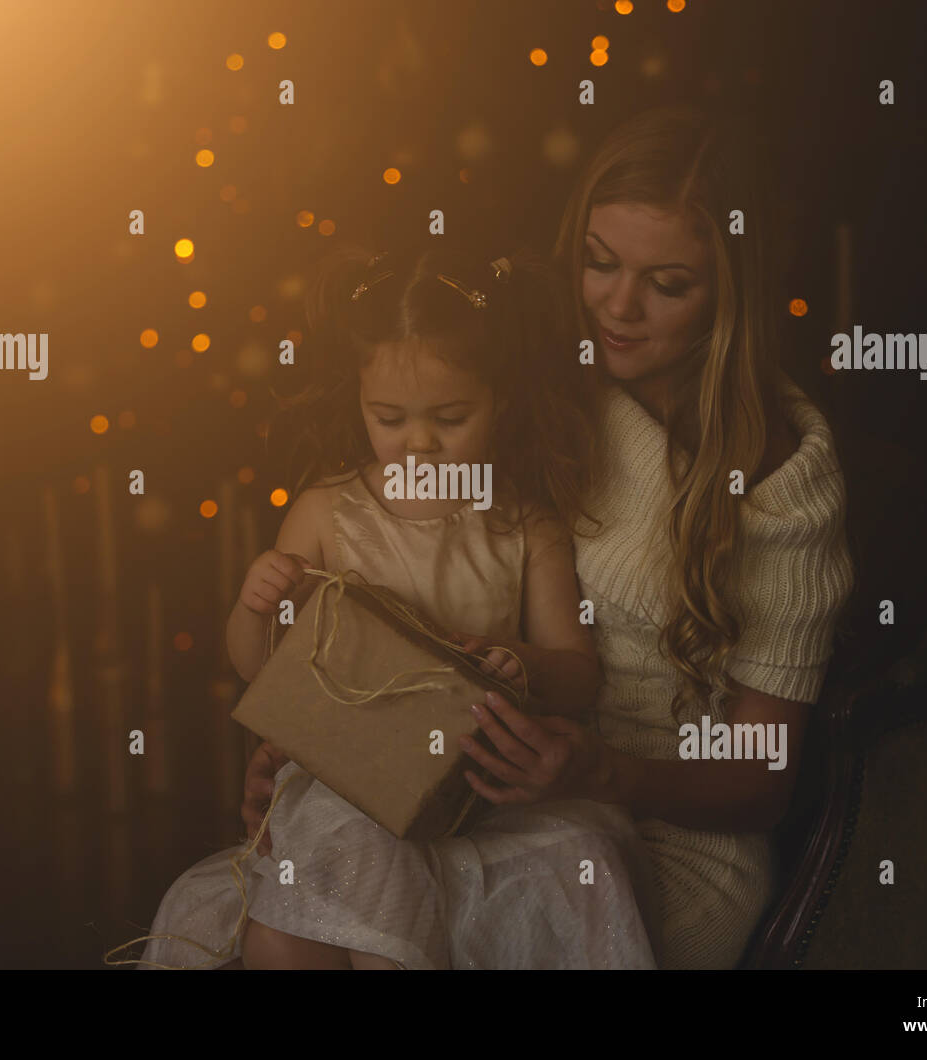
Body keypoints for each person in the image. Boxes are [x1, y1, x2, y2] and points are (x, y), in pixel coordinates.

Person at [237, 103, 857, 970]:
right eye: (598, 263)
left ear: (732, 291)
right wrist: (330, 749)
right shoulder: (535, 383)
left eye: (667, 284)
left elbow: (763, 781)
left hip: (661, 827)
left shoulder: (782, 488)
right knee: (309, 900)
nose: (617, 306)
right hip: (479, 780)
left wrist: (600, 773)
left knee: (391, 919)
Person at [132, 239, 661, 970]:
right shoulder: (325, 511)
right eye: (389, 417)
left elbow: (579, 671)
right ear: (358, 400)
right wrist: (257, 608)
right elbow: (266, 672)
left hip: (475, 796)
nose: (420, 443)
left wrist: (525, 665)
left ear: (499, 400)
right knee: (286, 934)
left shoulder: (522, 524)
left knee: (466, 915)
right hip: (347, 786)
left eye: (450, 417)